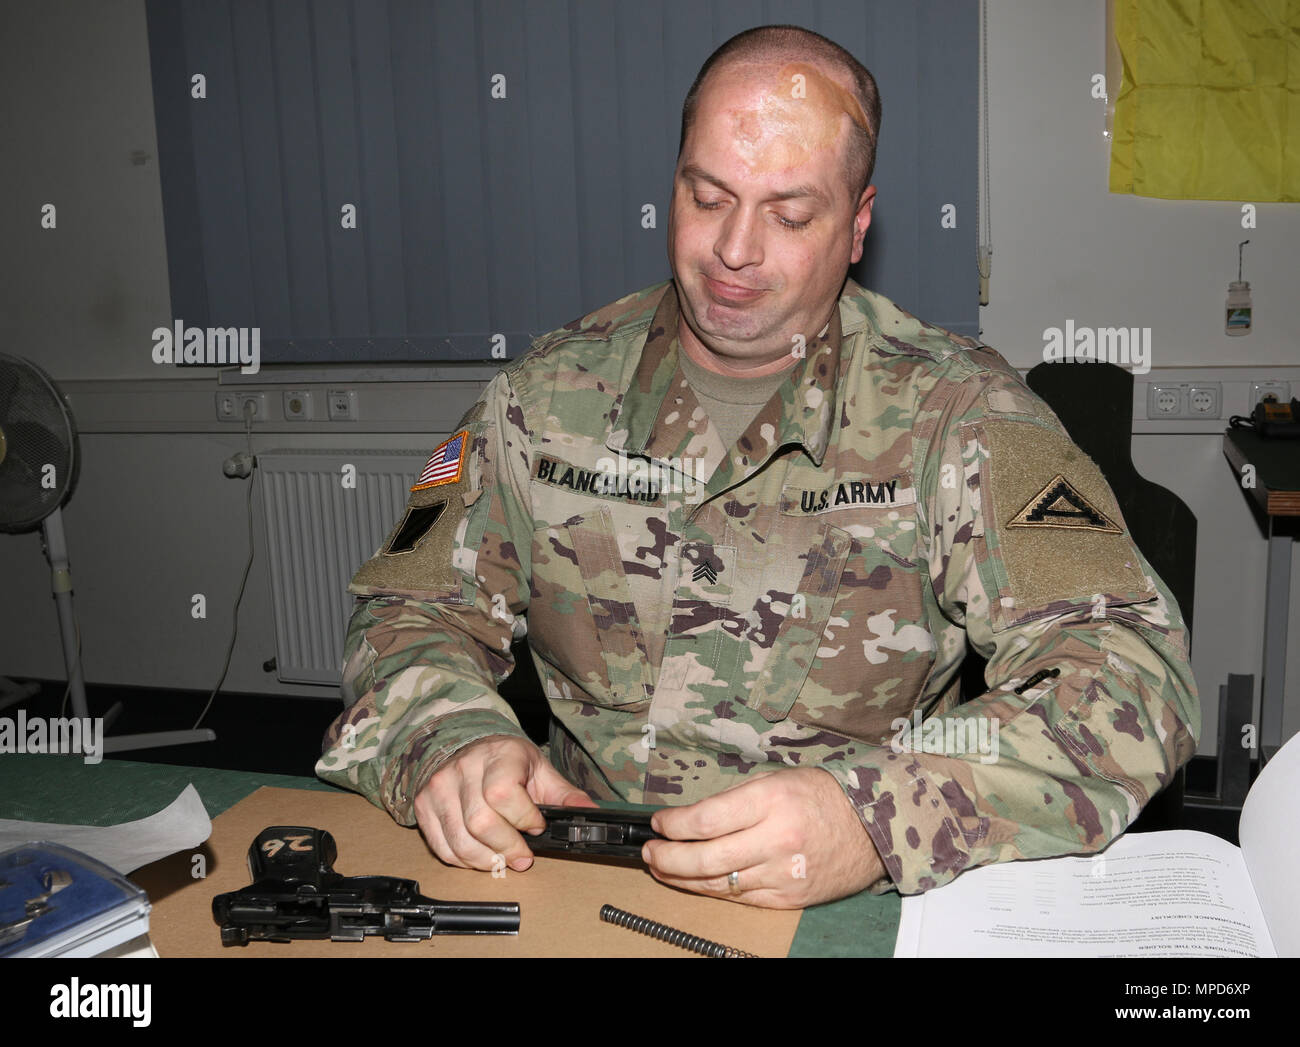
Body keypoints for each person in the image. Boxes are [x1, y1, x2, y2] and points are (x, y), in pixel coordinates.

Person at [316, 24, 1199, 908]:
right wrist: (451, 737)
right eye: (708, 198)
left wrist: (877, 815)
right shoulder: (539, 400)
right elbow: (406, 612)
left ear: (857, 225)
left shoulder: (958, 416)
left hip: (842, 901)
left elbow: (1129, 677)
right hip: (581, 880)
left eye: (789, 215)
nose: (734, 250)